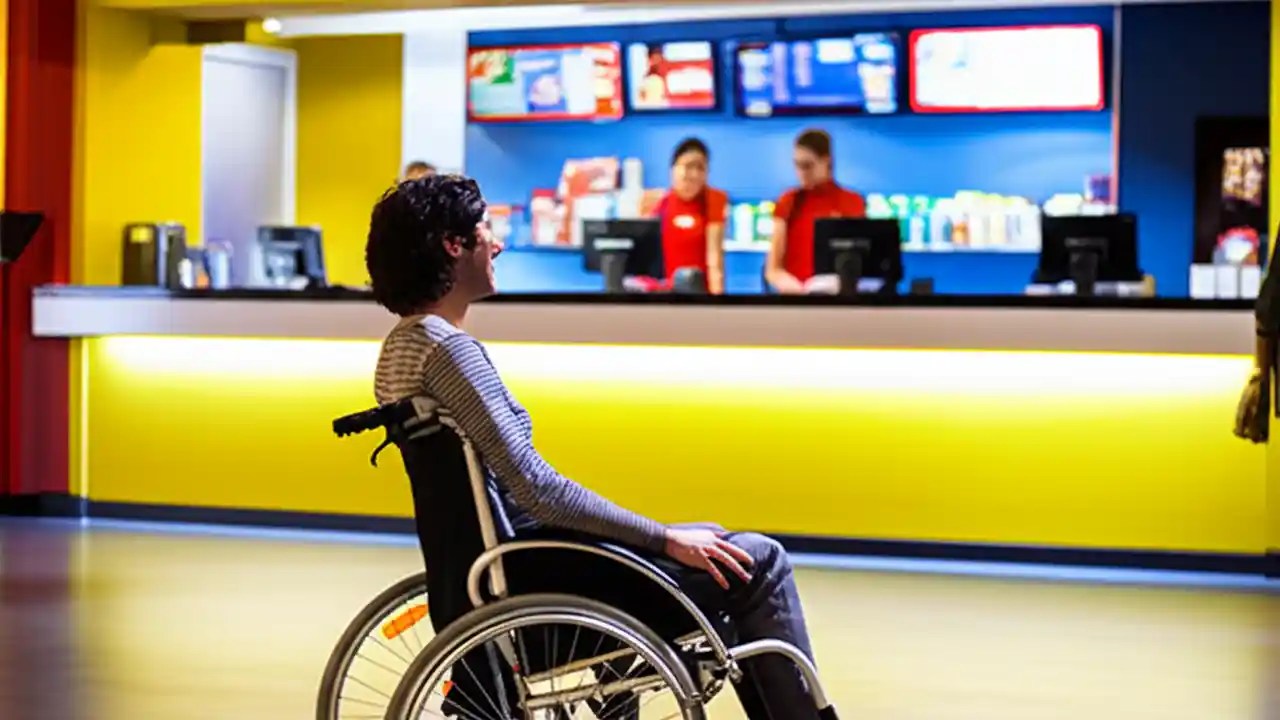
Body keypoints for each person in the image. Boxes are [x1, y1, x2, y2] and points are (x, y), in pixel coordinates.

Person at [366, 173, 821, 719]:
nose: (499, 243)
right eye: (486, 228)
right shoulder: (451, 353)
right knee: (756, 562)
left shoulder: (401, 351)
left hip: (483, 579)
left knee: (721, 547)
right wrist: (665, 539)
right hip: (538, 583)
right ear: (453, 245)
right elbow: (537, 490)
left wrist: (659, 542)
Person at [765, 129, 866, 294]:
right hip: (796, 297)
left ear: (826, 161)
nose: (801, 173)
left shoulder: (853, 202)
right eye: (797, 165)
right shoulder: (788, 202)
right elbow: (773, 270)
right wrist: (800, 291)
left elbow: (859, 263)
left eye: (807, 166)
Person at [653, 137, 728, 294]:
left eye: (700, 168)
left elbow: (715, 260)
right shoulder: (660, 203)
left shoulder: (714, 200)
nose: (693, 174)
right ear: (673, 169)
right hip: (666, 296)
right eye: (688, 166)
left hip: (700, 297)